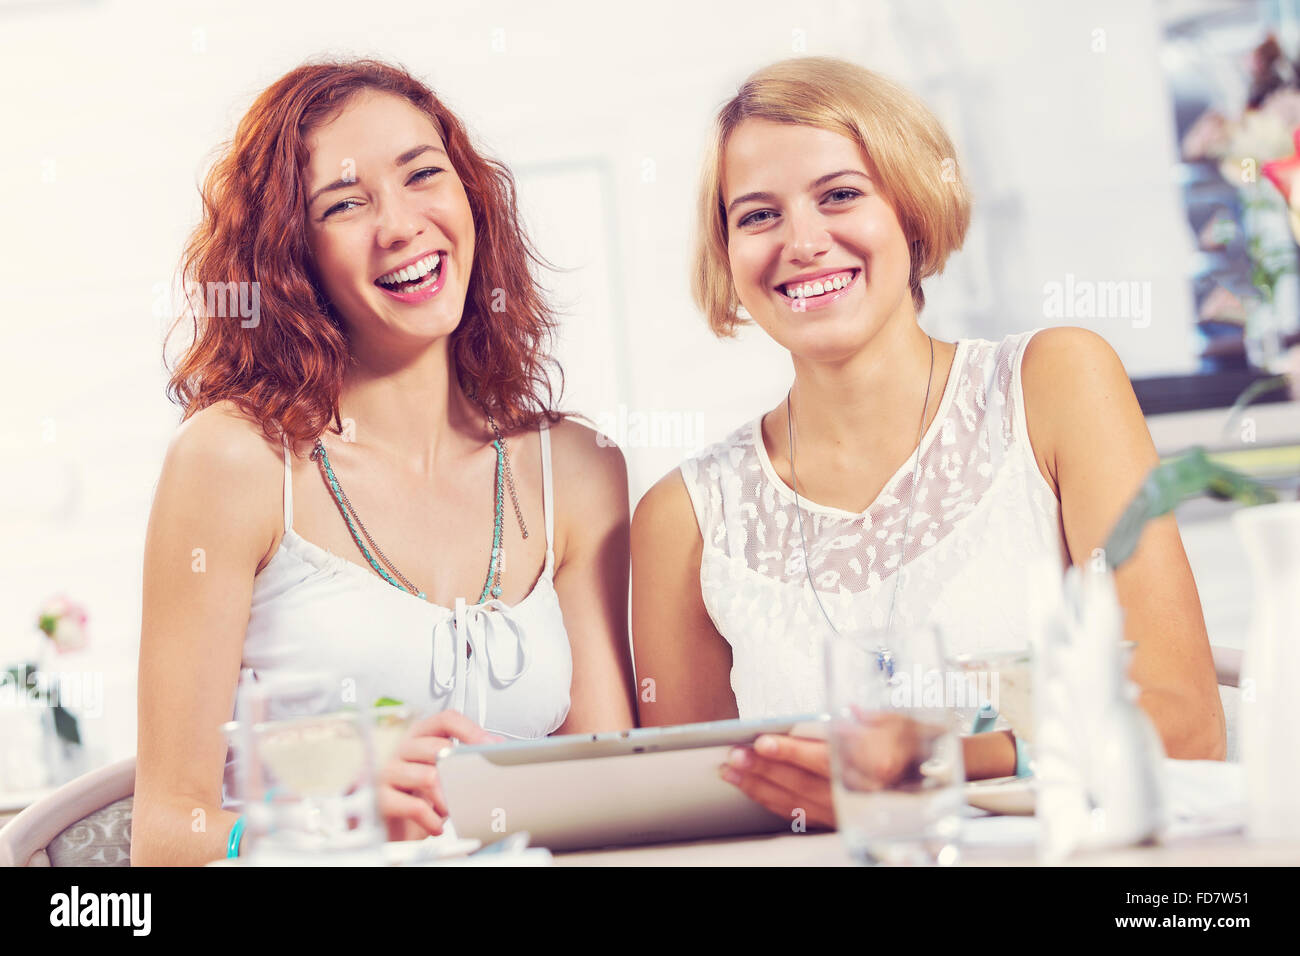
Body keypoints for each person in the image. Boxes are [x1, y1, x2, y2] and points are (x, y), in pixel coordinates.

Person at [631, 56, 1226, 830]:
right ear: (728, 256)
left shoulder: (1055, 385)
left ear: (911, 209)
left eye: (840, 194)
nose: (802, 241)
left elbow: (1186, 725)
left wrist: (932, 760)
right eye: (757, 215)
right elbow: (690, 817)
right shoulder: (682, 516)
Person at [133, 58, 635, 865]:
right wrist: (320, 822)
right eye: (345, 203)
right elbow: (164, 832)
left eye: (423, 175)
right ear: (292, 257)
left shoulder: (573, 468)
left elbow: (608, 797)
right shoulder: (233, 462)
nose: (400, 225)